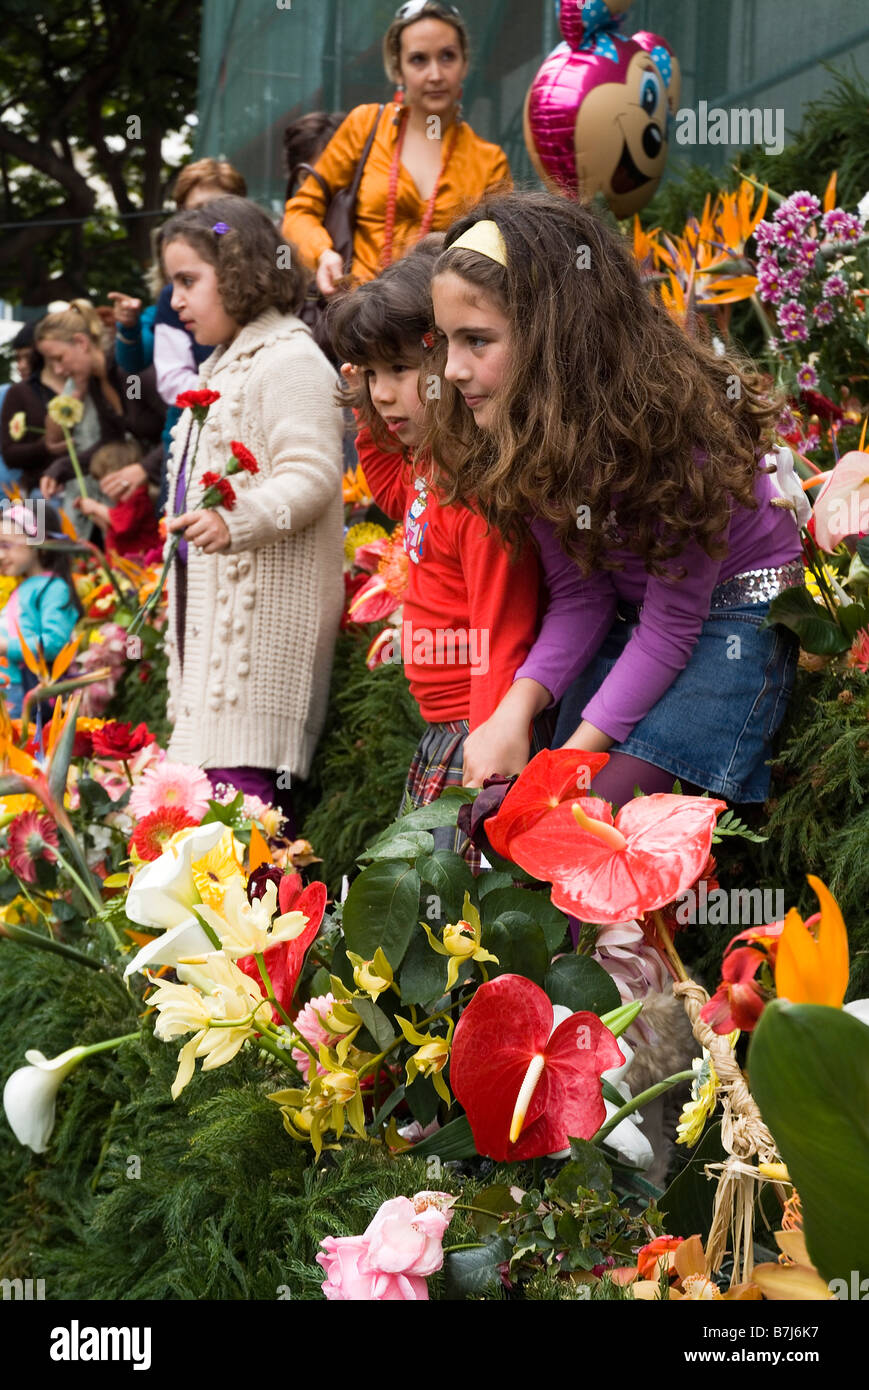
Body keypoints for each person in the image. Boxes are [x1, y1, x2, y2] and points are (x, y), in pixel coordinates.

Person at [426, 192, 804, 806]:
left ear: (556, 335)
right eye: (444, 341)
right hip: (637, 623)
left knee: (602, 817)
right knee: (546, 810)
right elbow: (581, 595)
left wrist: (565, 773)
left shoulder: (675, 434)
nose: (452, 369)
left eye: (476, 341)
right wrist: (513, 711)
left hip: (733, 615)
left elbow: (673, 625)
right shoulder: (526, 433)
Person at [328, 243, 597, 857]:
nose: (384, 392)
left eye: (398, 370)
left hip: (473, 733)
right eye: (371, 376)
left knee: (451, 898)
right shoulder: (432, 465)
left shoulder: (476, 494)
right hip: (450, 727)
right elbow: (393, 493)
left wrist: (492, 762)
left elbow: (500, 629)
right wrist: (370, 417)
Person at [160, 194, 344, 827]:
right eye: (171, 284)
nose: (175, 300)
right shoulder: (225, 363)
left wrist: (234, 520)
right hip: (212, 684)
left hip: (258, 675)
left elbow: (316, 475)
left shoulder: (290, 359)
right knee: (205, 873)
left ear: (238, 272)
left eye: (188, 281)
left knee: (246, 859)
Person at [283, 3, 511, 298]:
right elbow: (300, 212)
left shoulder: (488, 160)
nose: (435, 74)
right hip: (356, 317)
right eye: (418, 59)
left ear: (465, 64)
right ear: (397, 68)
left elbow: (497, 254)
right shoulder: (365, 125)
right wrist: (323, 254)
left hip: (438, 326)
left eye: (447, 57)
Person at [0, 502, 81, 718]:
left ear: (40, 544)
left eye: (6, 545)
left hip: (24, 690)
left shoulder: (53, 588)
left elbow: (54, 643)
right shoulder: (23, 587)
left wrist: (7, 647)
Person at [0, 322, 66, 494]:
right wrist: (45, 445)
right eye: (17, 358)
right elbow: (8, 453)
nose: (21, 365)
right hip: (35, 493)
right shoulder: (14, 393)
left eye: (27, 357)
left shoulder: (79, 385)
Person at [75, 439, 162, 562]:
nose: (105, 491)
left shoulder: (137, 496)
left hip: (142, 563)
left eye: (108, 484)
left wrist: (95, 507)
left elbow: (122, 525)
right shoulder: (123, 501)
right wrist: (94, 515)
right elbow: (114, 528)